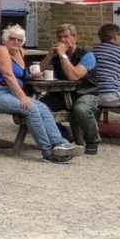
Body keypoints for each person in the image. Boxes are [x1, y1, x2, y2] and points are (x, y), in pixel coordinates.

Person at [0, 25, 76, 163]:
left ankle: (60, 144)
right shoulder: (1, 50)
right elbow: (8, 75)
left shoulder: (19, 53)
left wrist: (34, 74)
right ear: (5, 40)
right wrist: (22, 96)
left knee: (43, 108)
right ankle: (48, 151)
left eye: (19, 39)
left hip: (9, 93)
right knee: (30, 108)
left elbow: (23, 75)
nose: (16, 42)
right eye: (12, 39)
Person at [45, 23, 100, 156]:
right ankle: (64, 135)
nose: (62, 40)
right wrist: (50, 56)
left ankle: (92, 141)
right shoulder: (57, 56)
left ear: (74, 38)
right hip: (62, 93)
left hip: (86, 92)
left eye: (65, 37)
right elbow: (38, 71)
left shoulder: (87, 56)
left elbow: (74, 76)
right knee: (39, 107)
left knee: (81, 110)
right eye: (59, 37)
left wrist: (63, 56)